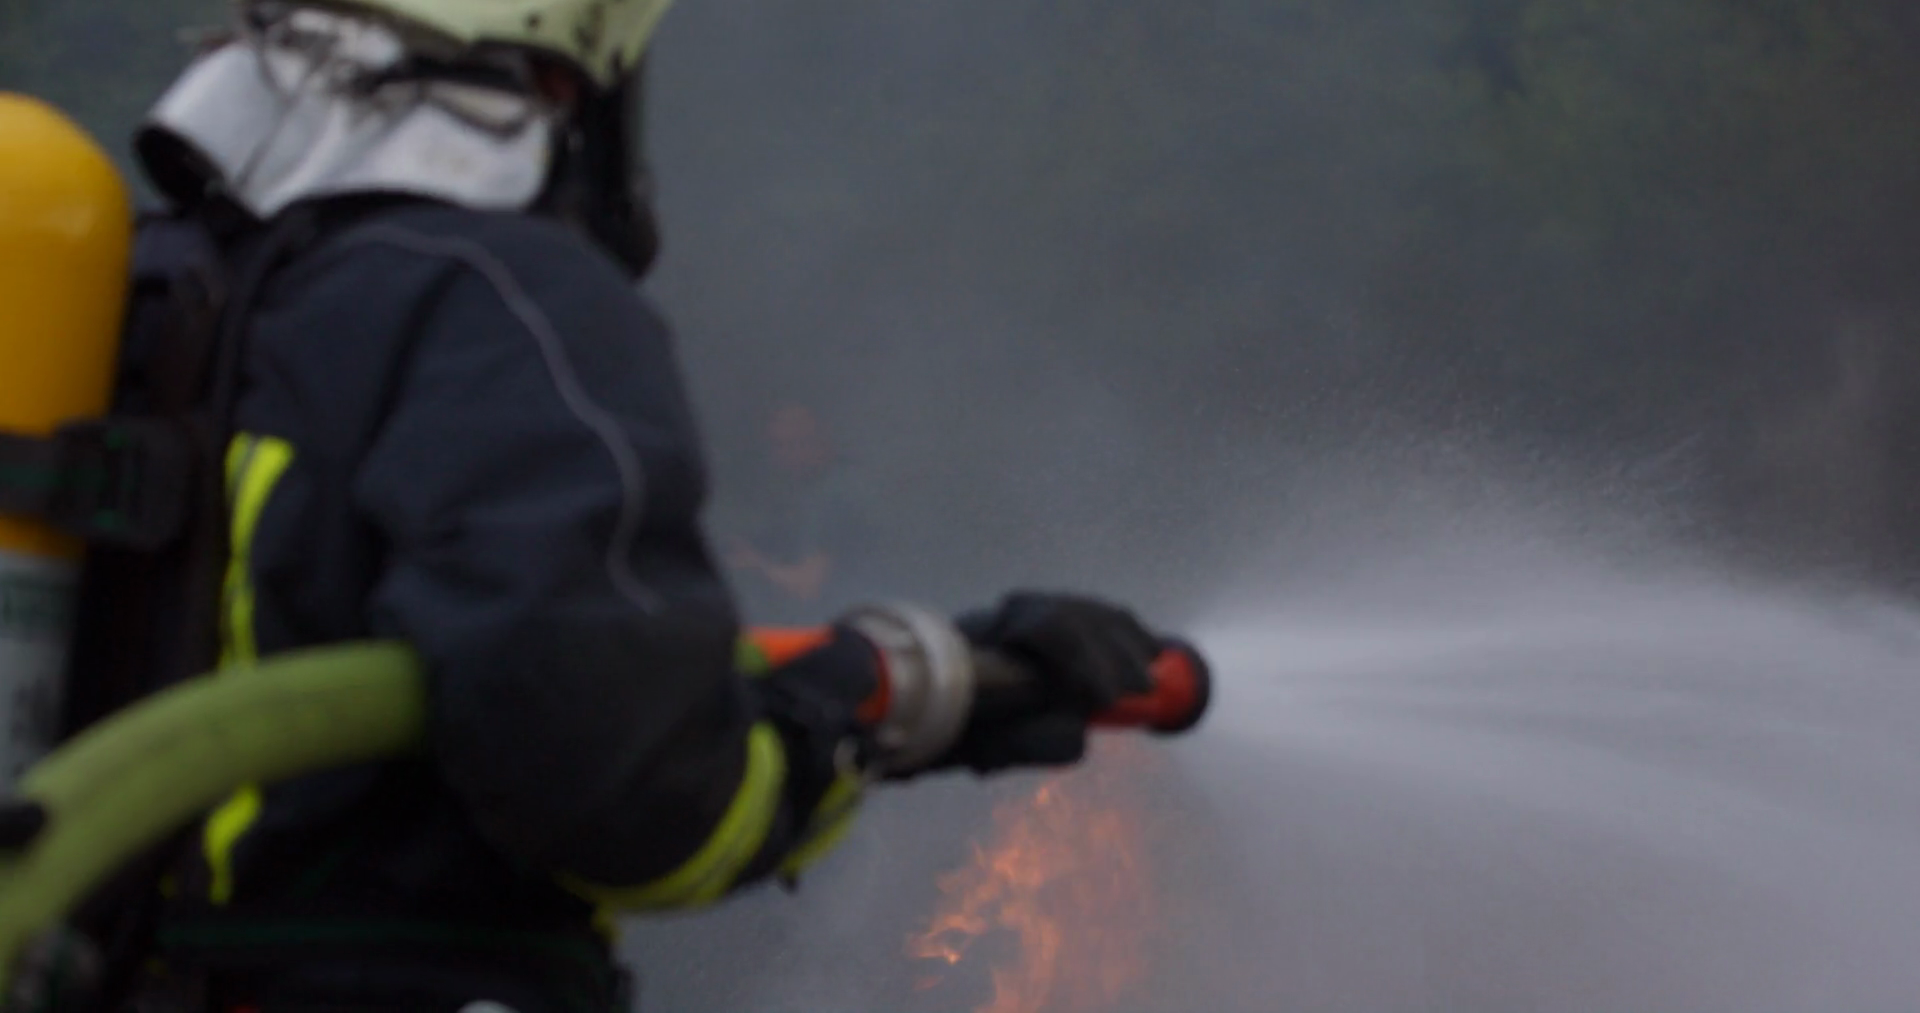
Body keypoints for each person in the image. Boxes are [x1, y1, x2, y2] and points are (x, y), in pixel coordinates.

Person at [75, 4, 1173, 1013]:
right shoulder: (497, 301)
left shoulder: (149, 297)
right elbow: (641, 799)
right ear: (566, 76)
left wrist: (931, 683)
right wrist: (866, 704)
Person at [724, 402, 874, 623]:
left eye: (800, 443)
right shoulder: (812, 492)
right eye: (779, 446)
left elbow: (807, 586)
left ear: (824, 439)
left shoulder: (836, 495)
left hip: (850, 626)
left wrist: (756, 563)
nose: (789, 454)